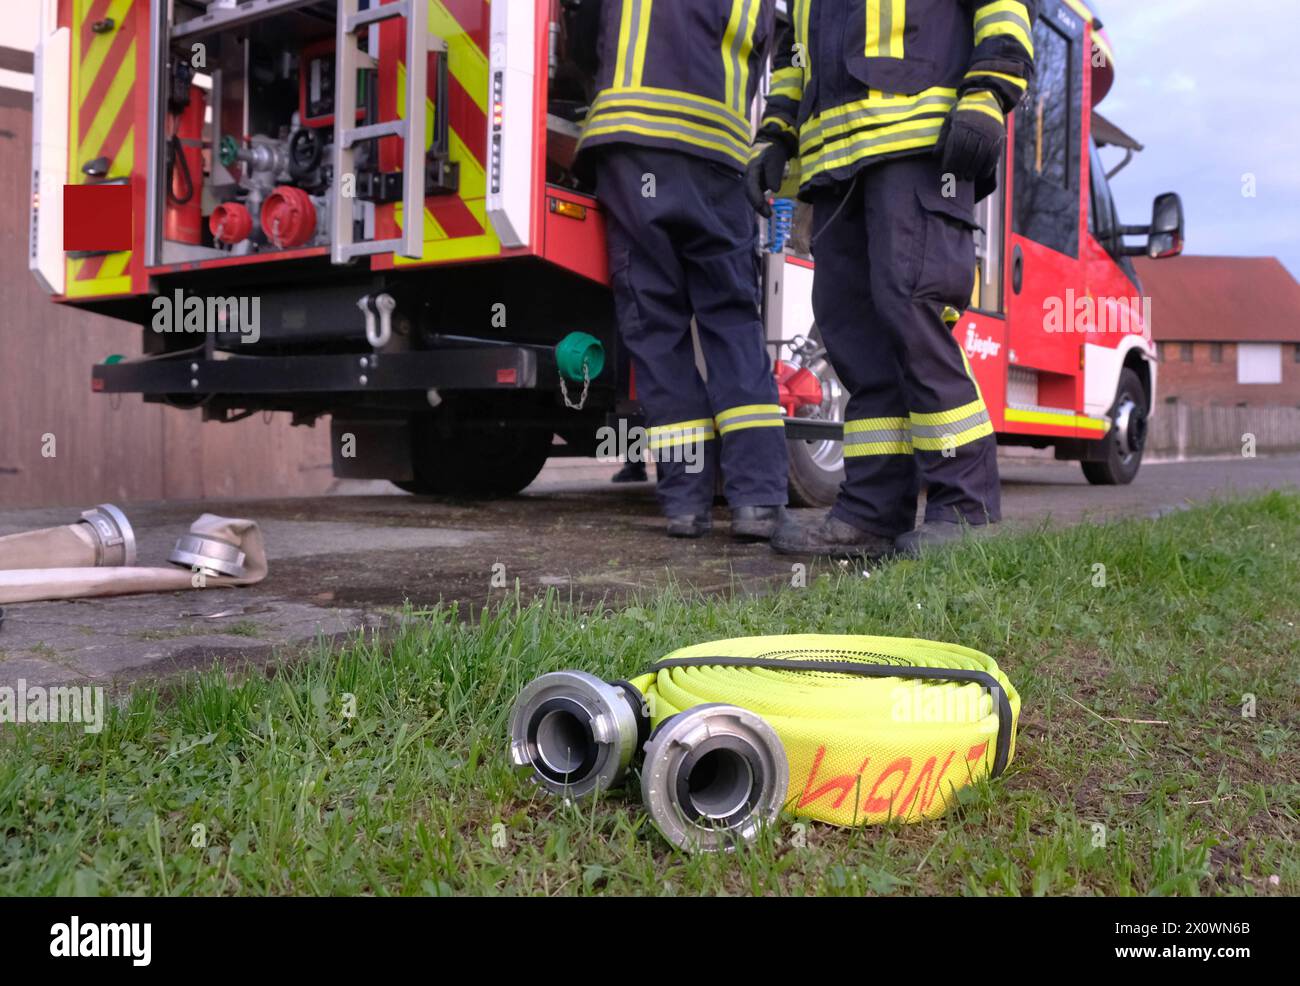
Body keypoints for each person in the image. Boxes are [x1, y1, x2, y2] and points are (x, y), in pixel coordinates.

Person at [747, 0, 1036, 557]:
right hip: (832, 164)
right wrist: (775, 134)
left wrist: (988, 92)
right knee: (853, 336)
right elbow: (793, 53)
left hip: (920, 144)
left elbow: (1002, 8)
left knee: (913, 312)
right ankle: (872, 515)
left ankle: (965, 508)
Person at [567, 0, 791, 540]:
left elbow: (580, 37)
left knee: (657, 327)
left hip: (635, 144)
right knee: (733, 322)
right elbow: (775, 53)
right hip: (720, 154)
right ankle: (757, 500)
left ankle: (686, 503)